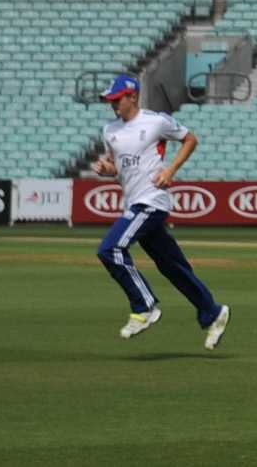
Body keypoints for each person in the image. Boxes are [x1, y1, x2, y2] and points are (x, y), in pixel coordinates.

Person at [89, 75, 228, 349]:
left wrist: (170, 170)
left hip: (152, 201)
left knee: (110, 250)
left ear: (133, 96)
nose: (113, 105)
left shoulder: (156, 121)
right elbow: (120, 167)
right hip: (134, 201)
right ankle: (212, 311)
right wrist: (108, 171)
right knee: (172, 266)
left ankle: (145, 306)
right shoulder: (110, 130)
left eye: (117, 99)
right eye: (110, 101)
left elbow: (190, 139)